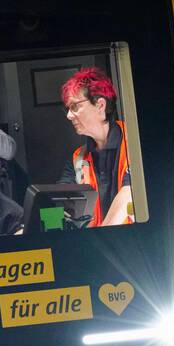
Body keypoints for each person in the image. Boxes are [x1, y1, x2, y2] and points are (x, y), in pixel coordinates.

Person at [58, 67, 134, 227]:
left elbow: (129, 193)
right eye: (68, 108)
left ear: (100, 105)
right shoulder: (77, 158)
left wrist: (101, 237)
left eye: (74, 107)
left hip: (135, 241)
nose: (69, 115)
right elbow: (59, 201)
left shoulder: (135, 144)